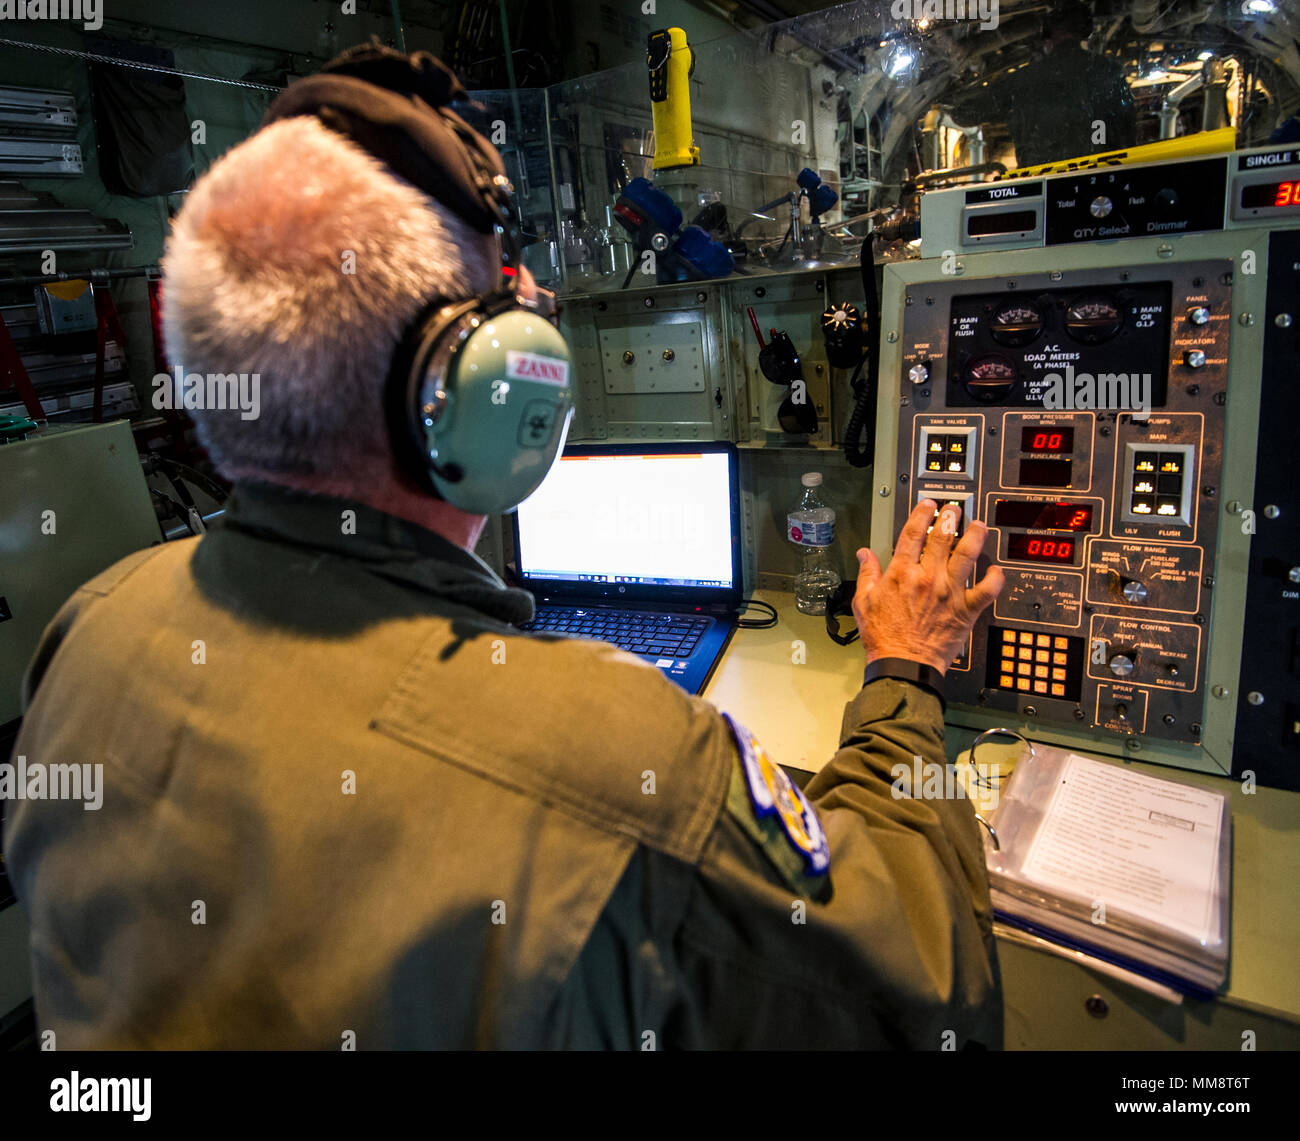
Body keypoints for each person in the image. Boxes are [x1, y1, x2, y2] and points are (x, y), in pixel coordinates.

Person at [4, 45, 1005, 1049]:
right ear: (492, 385)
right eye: (510, 303)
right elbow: (927, 989)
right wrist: (905, 672)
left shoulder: (89, 628)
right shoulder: (612, 757)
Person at [953, 3, 1137, 168]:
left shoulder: (1024, 79)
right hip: (1098, 178)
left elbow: (964, 114)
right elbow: (1127, 129)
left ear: (1051, 34)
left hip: (1041, 180)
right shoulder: (1109, 71)